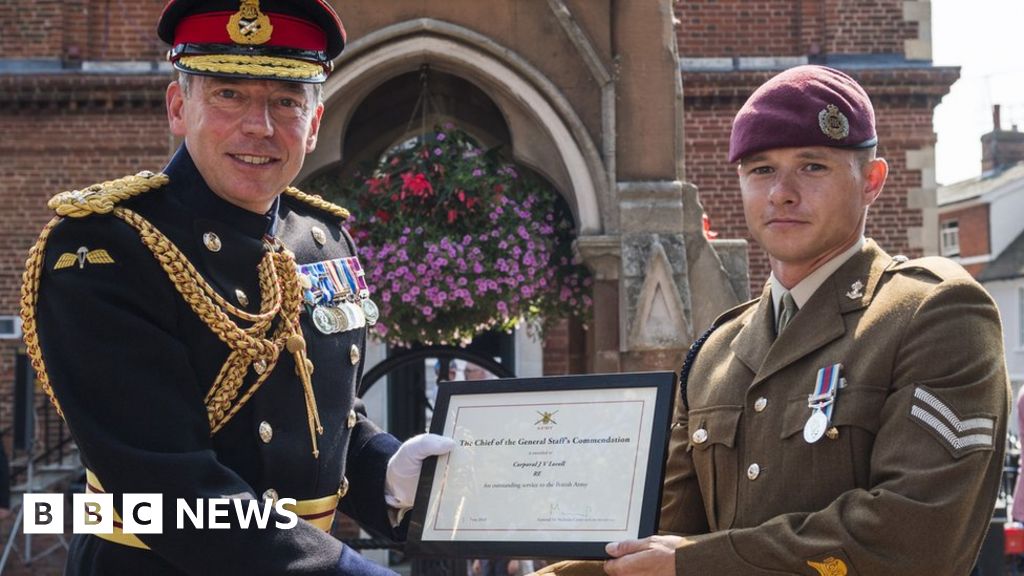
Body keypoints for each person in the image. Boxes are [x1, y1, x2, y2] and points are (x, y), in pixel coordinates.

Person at [19, 1, 453, 574]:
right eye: (229, 94)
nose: (260, 126)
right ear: (179, 108)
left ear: (314, 123)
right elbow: (167, 487)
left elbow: (325, 415)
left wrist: (387, 472)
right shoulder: (104, 249)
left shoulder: (320, 240)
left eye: (286, 102)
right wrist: (351, 570)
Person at [536, 65, 1010, 575]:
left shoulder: (932, 313)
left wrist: (700, 562)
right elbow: (653, 546)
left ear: (871, 181)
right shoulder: (715, 353)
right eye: (760, 170)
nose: (781, 192)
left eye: (812, 167)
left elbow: (915, 535)